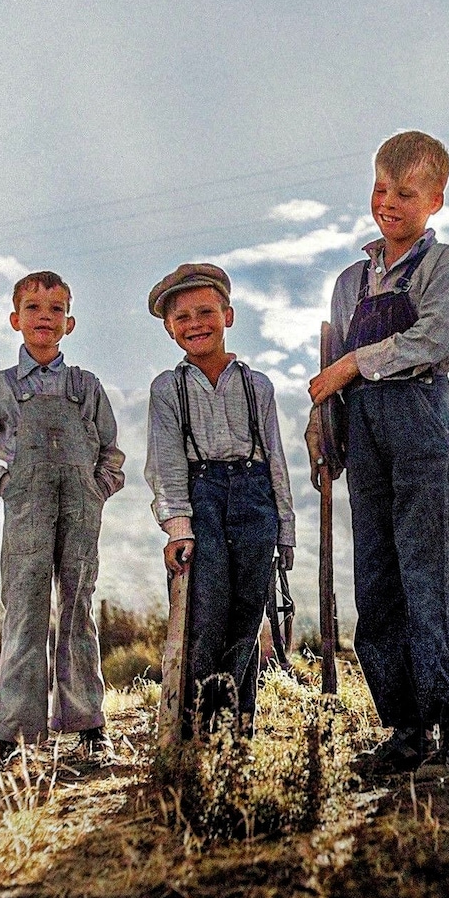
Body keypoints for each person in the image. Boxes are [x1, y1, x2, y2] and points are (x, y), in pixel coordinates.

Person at [307, 130, 449, 773]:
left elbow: (440, 340)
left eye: (405, 193)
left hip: (420, 426)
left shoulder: (443, 266)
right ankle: (405, 731)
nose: (388, 202)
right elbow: (330, 373)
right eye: (380, 188)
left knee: (428, 576)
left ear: (434, 199)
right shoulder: (350, 279)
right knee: (377, 584)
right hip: (366, 435)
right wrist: (324, 427)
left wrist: (356, 362)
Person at [0, 270, 125, 763]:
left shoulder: (85, 387)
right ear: (14, 320)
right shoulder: (0, 387)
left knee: (77, 611)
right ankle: (11, 732)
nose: (44, 317)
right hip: (25, 510)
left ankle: (88, 725)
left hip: (79, 509)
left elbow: (112, 454)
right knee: (24, 614)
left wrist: (97, 490)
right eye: (33, 308)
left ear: (69, 323)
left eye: (55, 309)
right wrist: (3, 482)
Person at [145, 263, 296, 733]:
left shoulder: (258, 385)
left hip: (255, 502)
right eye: (183, 317)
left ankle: (237, 726)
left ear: (228, 316)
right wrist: (178, 528)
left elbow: (275, 458)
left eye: (206, 312)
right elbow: (166, 464)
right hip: (201, 498)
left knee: (250, 616)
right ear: (171, 330)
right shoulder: (167, 389)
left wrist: (284, 529)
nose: (196, 324)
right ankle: (197, 723)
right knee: (206, 615)